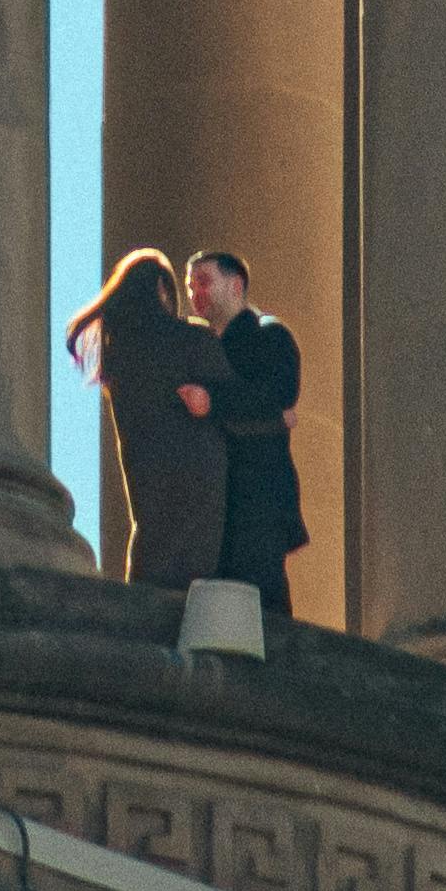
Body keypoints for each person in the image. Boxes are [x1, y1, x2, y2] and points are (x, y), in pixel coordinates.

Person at [59, 247, 225, 590]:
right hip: (200, 484)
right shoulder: (194, 340)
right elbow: (234, 398)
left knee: (149, 557)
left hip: (146, 485)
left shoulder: (118, 358)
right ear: (162, 289)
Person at [182, 247, 306, 626]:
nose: (195, 293)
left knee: (264, 607)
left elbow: (278, 393)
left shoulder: (271, 336)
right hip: (217, 498)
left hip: (257, 496)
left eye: (204, 282)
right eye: (190, 286)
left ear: (235, 285)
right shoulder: (199, 346)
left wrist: (213, 401)